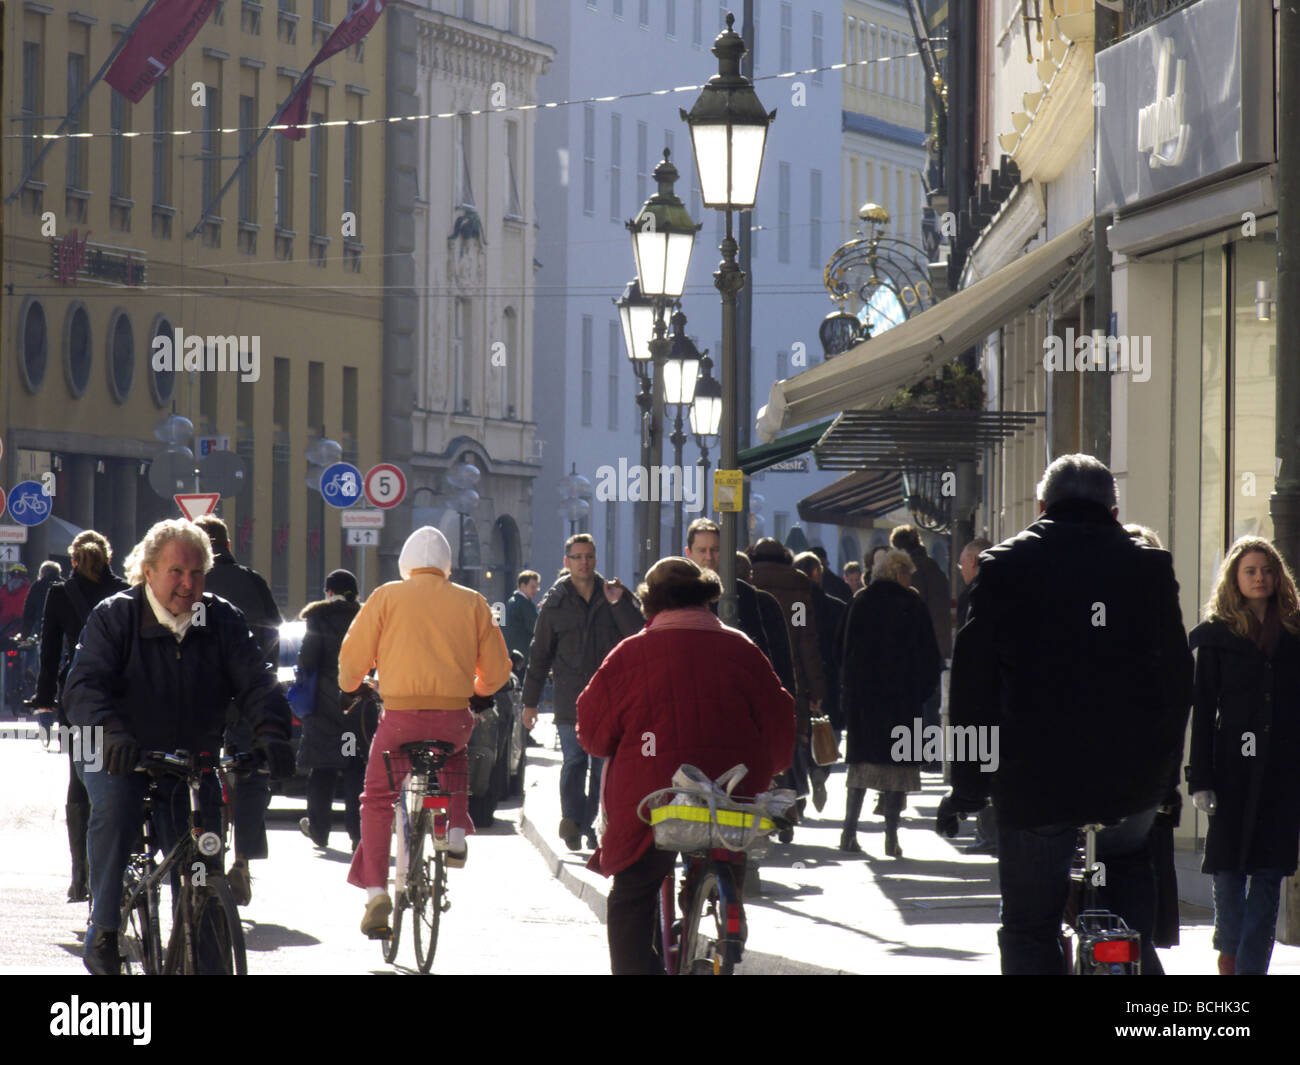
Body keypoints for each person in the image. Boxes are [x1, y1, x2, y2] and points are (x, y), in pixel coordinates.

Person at [939, 454, 1194, 975]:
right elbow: (1176, 681)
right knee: (1126, 904)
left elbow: (972, 687)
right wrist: (1165, 778)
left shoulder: (1005, 566)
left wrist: (966, 785)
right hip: (1131, 780)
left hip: (1037, 782)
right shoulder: (1148, 566)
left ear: (1040, 506)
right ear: (1114, 510)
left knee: (1031, 927)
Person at [63, 519, 294, 975]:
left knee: (202, 853)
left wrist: (272, 733)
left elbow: (257, 680)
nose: (188, 585)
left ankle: (204, 956)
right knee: (114, 808)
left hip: (191, 752)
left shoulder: (221, 618)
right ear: (148, 571)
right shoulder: (115, 615)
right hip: (112, 745)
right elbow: (83, 686)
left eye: (197, 574)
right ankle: (104, 929)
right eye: (176, 572)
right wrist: (112, 732)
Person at [576, 557, 795, 974]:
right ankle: (725, 904)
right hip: (733, 788)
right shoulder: (742, 647)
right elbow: (780, 715)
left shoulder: (630, 654)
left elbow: (592, 733)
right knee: (723, 845)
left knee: (633, 894)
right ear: (707, 598)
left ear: (650, 605)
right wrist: (775, 765)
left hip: (653, 796)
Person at [340, 526, 512, 938]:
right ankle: (454, 834)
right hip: (453, 718)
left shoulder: (385, 596)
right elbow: (497, 669)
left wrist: (353, 685)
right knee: (455, 755)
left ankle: (377, 891)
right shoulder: (473, 601)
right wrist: (478, 692)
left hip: (399, 719)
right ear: (447, 565)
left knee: (378, 798)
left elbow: (352, 659)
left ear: (405, 563)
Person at [1188, 536, 1300, 975]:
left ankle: (1251, 968)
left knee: (1269, 874)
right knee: (1229, 871)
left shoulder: (1292, 632)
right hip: (1231, 767)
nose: (1259, 578)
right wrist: (1200, 778)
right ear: (1235, 578)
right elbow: (1203, 710)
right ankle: (1230, 952)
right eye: (1250, 571)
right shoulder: (1217, 636)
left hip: (1281, 768)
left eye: (1267, 571)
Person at [522, 533, 644, 852]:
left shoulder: (612, 595)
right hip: (570, 699)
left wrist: (619, 603)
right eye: (577, 557)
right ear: (567, 562)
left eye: (589, 556)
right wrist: (530, 702)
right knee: (574, 761)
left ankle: (589, 823)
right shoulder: (555, 602)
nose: (584, 562)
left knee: (601, 766)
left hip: (609, 700)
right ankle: (573, 820)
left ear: (596, 559)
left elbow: (638, 635)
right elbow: (539, 655)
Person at [34, 532, 129, 903]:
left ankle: (81, 875)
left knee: (82, 781)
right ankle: (122, 866)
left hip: (81, 703)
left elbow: (49, 652)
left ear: (73, 560)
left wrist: (44, 700)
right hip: (123, 701)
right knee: (124, 773)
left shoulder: (59, 595)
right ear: (109, 559)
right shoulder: (124, 592)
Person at [194, 514, 283, 906]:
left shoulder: (188, 583)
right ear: (228, 542)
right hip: (246, 695)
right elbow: (274, 631)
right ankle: (244, 862)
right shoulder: (253, 581)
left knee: (197, 769)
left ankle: (205, 861)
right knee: (250, 772)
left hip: (200, 699)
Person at [840, 549, 941, 857]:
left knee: (860, 770)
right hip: (902, 702)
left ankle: (848, 833)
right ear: (898, 574)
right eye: (908, 572)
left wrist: (849, 692)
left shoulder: (861, 601)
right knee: (897, 774)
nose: (911, 578)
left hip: (865, 703)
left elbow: (842, 650)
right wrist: (921, 693)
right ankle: (891, 837)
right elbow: (929, 657)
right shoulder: (912, 605)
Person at [748, 539, 824, 824]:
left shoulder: (744, 581)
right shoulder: (797, 589)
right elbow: (805, 638)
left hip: (753, 674)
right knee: (789, 741)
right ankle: (789, 804)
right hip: (789, 674)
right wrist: (815, 687)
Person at [296, 569, 368, 852]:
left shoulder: (318, 617)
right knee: (354, 770)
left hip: (324, 707)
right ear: (355, 593)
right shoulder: (364, 617)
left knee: (322, 770)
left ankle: (319, 830)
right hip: (356, 705)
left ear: (328, 592)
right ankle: (357, 834)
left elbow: (308, 661)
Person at [889, 526, 951, 769]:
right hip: (937, 646)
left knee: (917, 705)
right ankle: (932, 754)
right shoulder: (934, 568)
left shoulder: (912, 573)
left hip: (918, 648)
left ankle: (923, 755)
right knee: (932, 703)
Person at [793, 550, 848, 813]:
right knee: (830, 736)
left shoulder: (798, 608)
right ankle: (821, 772)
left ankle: (804, 785)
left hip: (803, 679)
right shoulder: (836, 607)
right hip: (830, 680)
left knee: (803, 738)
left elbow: (798, 641)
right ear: (817, 574)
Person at [955, 538, 995, 855]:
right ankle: (988, 832)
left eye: (962, 564)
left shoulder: (976, 596)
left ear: (973, 563)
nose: (960, 571)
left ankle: (989, 834)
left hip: (983, 699)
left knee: (983, 759)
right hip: (993, 699)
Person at [503, 570, 541, 670]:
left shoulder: (511, 601)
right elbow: (537, 628)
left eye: (537, 587)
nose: (536, 590)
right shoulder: (525, 605)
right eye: (533, 587)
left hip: (510, 656)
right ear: (523, 586)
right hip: (523, 658)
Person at [20, 561, 62, 639]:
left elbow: (29, 611)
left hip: (42, 627)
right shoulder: (64, 585)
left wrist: (25, 634)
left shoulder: (37, 586)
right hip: (62, 629)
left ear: (42, 573)